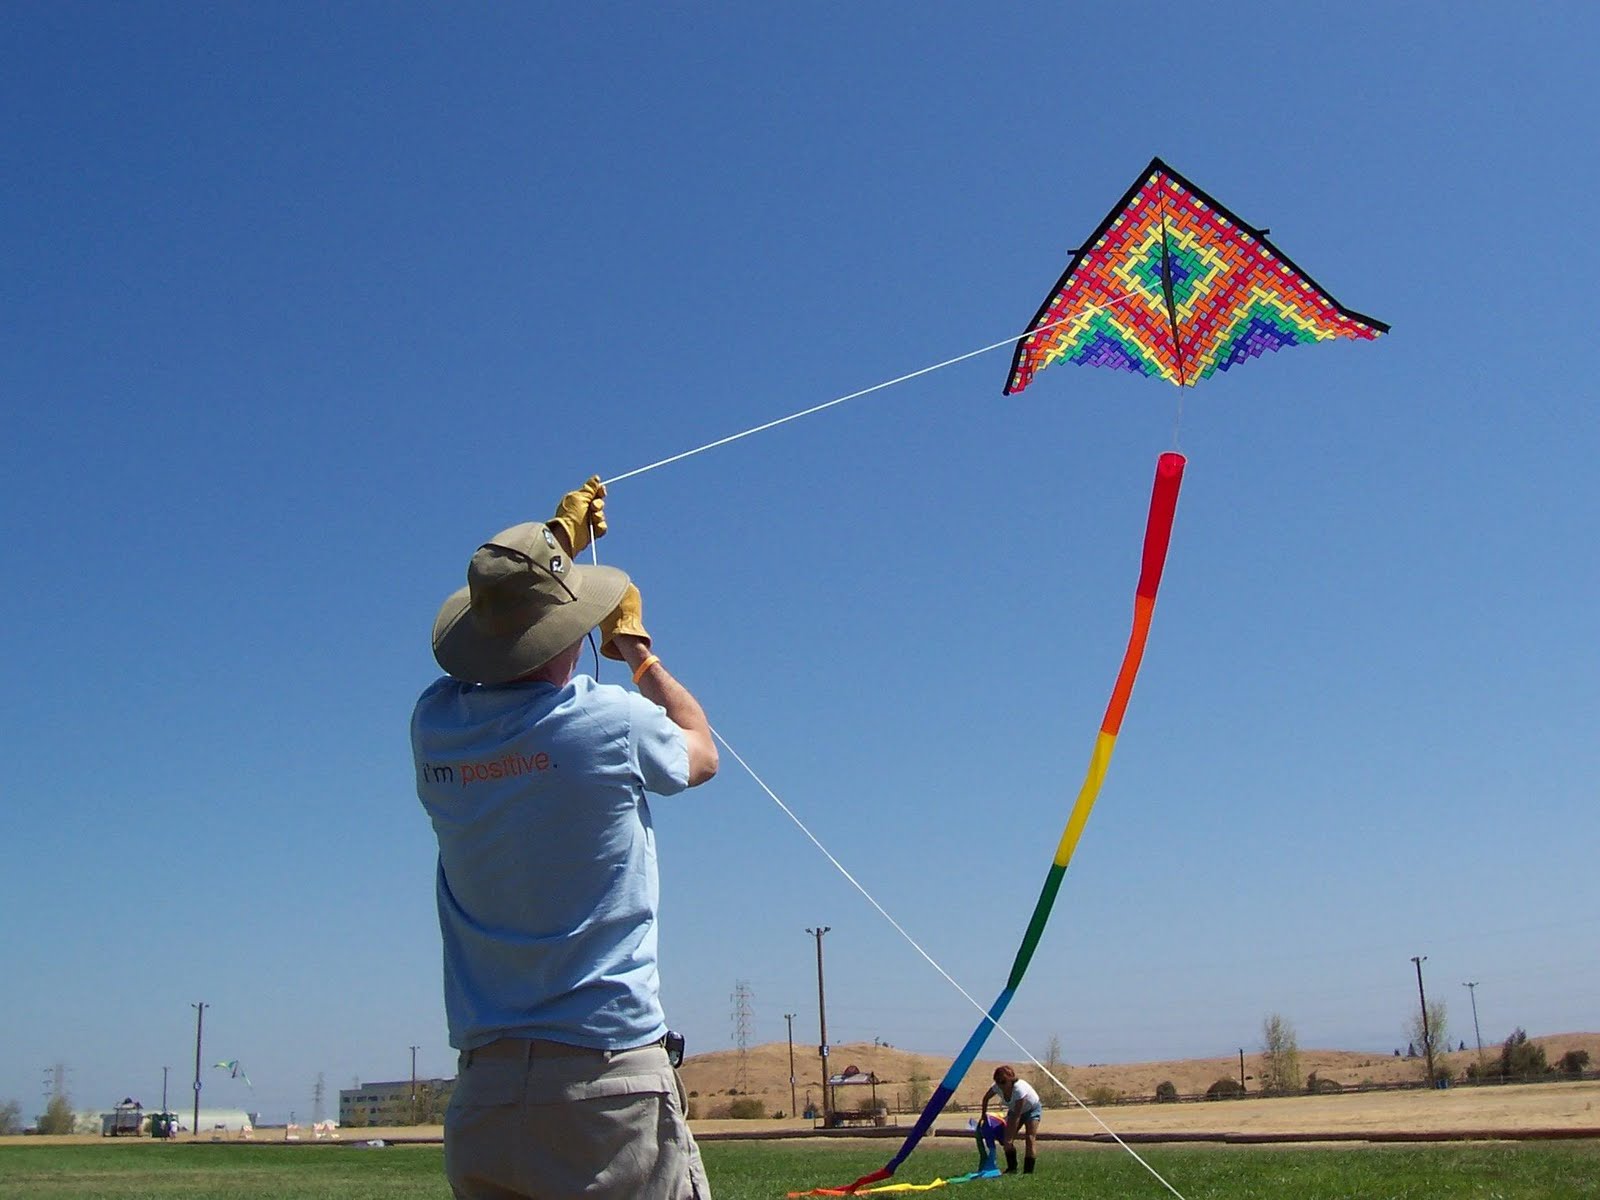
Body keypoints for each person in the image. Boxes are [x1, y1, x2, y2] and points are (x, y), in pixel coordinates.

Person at [412, 476, 718, 1200]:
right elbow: (701, 753)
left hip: (485, 1100)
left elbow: (487, 655)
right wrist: (637, 650)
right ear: (570, 630)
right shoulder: (610, 720)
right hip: (607, 1087)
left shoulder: (434, 726)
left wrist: (550, 554)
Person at [980, 1065, 1042, 1175]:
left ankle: (1028, 1172)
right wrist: (983, 1116)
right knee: (1006, 1140)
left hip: (1031, 1110)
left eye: (1003, 1081)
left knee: (1029, 1138)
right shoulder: (997, 1087)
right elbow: (985, 1098)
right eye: (998, 1081)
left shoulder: (1019, 1090)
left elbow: (1017, 1116)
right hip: (1014, 1111)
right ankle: (1012, 1168)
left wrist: (1010, 1135)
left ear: (1011, 1079)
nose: (1000, 1085)